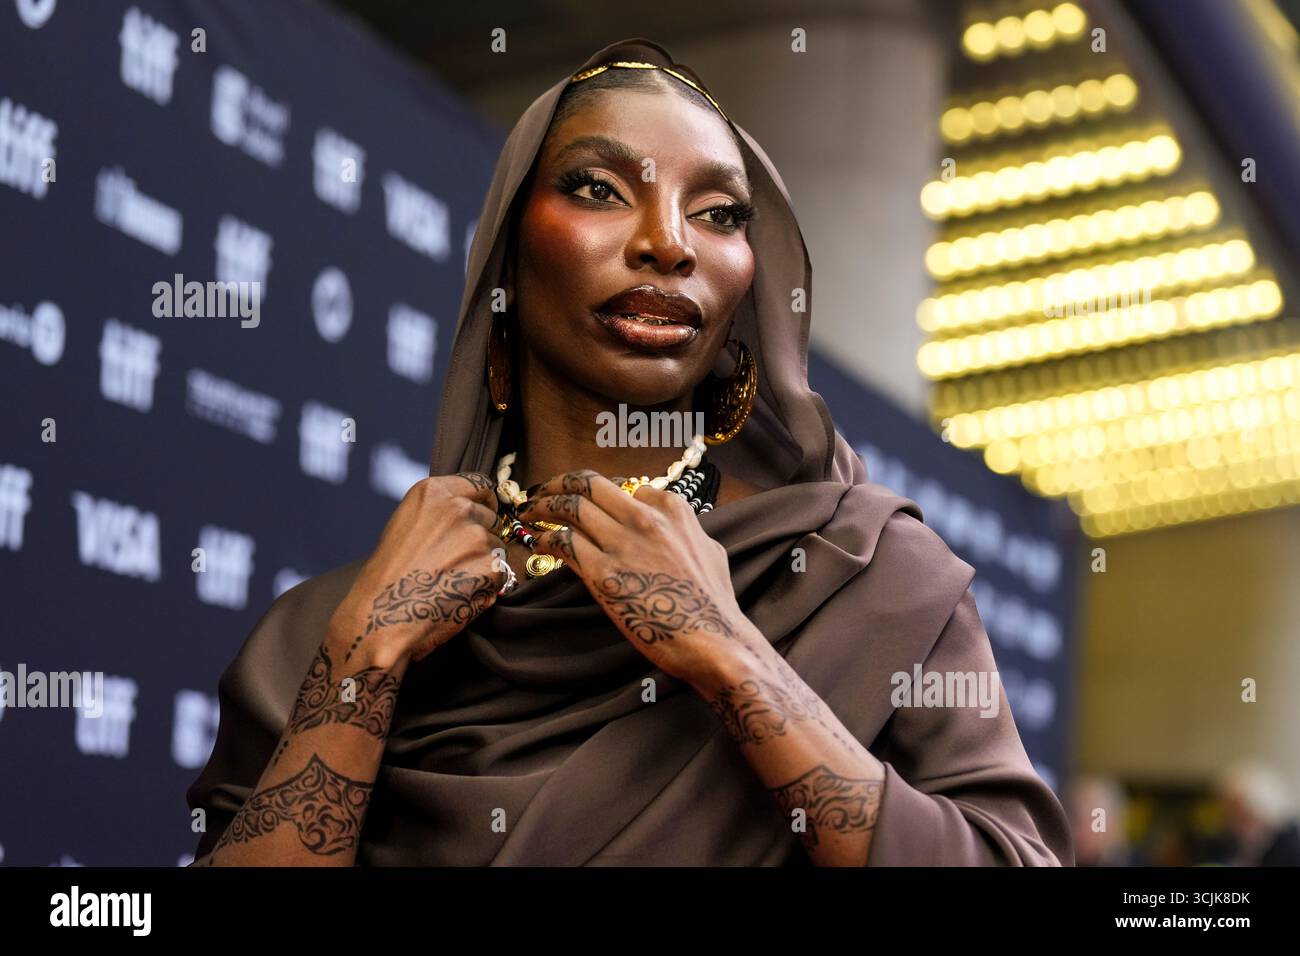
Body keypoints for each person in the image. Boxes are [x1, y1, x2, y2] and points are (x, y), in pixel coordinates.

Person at [185, 37, 1073, 867]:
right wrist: (365, 664)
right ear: (506, 261)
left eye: (718, 212)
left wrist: (733, 657)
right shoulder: (322, 630)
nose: (668, 242)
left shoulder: (870, 583)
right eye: (599, 189)